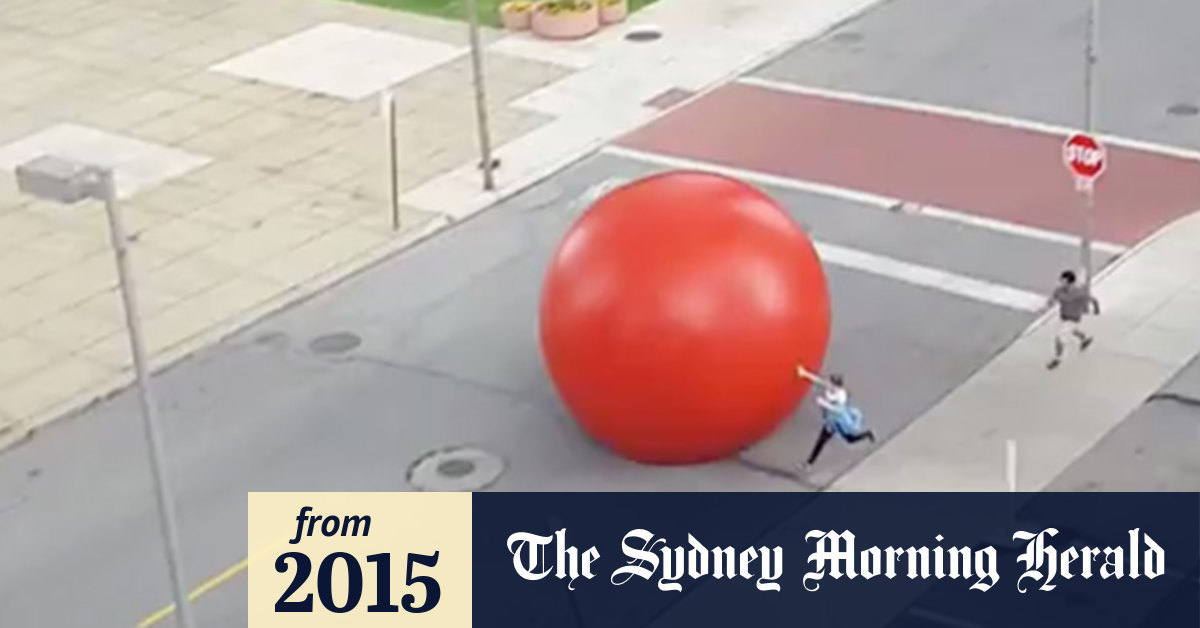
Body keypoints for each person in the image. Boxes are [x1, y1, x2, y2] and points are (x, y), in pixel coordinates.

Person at [795, 365, 875, 470]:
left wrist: (824, 404)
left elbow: (839, 410)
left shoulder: (841, 395)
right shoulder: (829, 387)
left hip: (838, 421)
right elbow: (818, 381)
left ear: (836, 385)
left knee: (849, 439)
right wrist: (804, 374)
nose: (828, 383)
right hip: (830, 419)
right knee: (821, 441)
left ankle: (867, 434)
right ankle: (808, 464)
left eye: (830, 382)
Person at [1046, 270, 1100, 370]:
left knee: (1059, 338)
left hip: (1073, 318)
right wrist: (1050, 302)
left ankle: (1057, 359)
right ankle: (1085, 338)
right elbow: (1053, 298)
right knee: (1073, 330)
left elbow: (1093, 300)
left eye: (1063, 281)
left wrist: (1096, 309)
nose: (1061, 282)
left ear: (1069, 282)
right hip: (1063, 317)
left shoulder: (1078, 293)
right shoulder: (1059, 290)